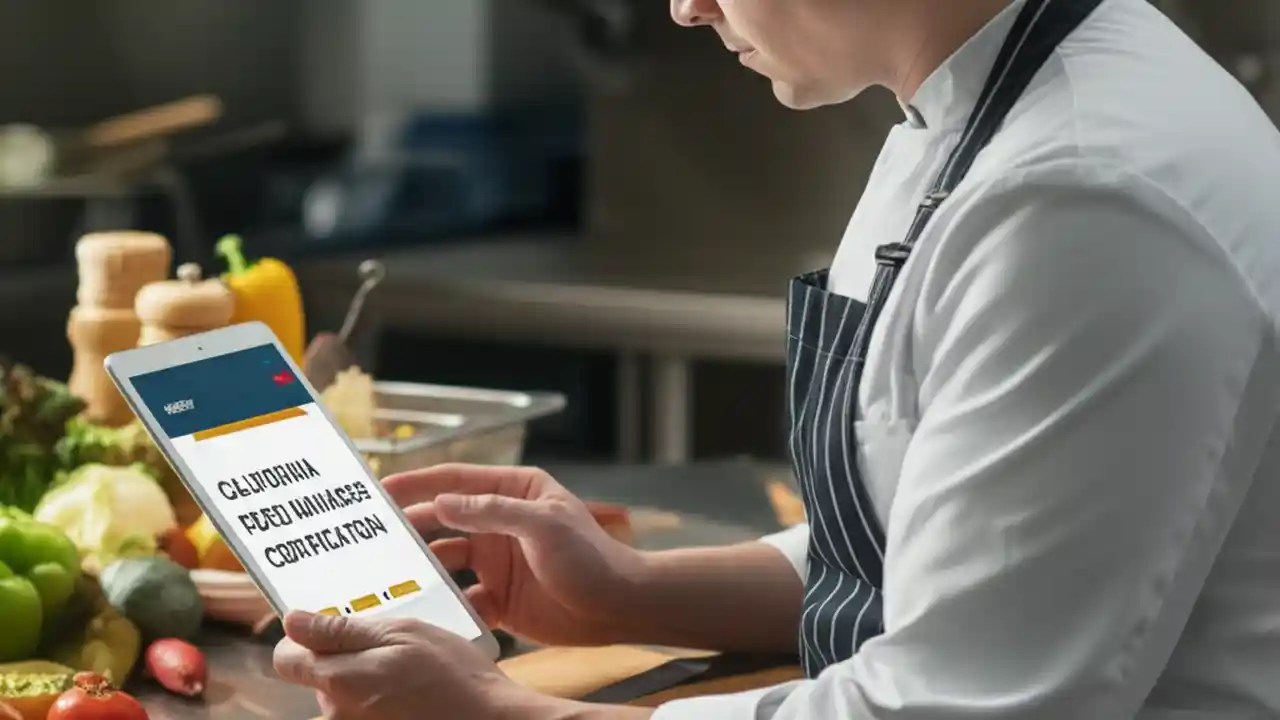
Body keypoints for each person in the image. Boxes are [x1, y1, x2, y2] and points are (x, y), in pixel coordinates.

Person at [272, 0, 1280, 717]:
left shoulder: (1080, 202)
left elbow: (957, 704)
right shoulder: (969, 113)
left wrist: (498, 716)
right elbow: (939, 534)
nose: (684, 8)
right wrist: (632, 592)